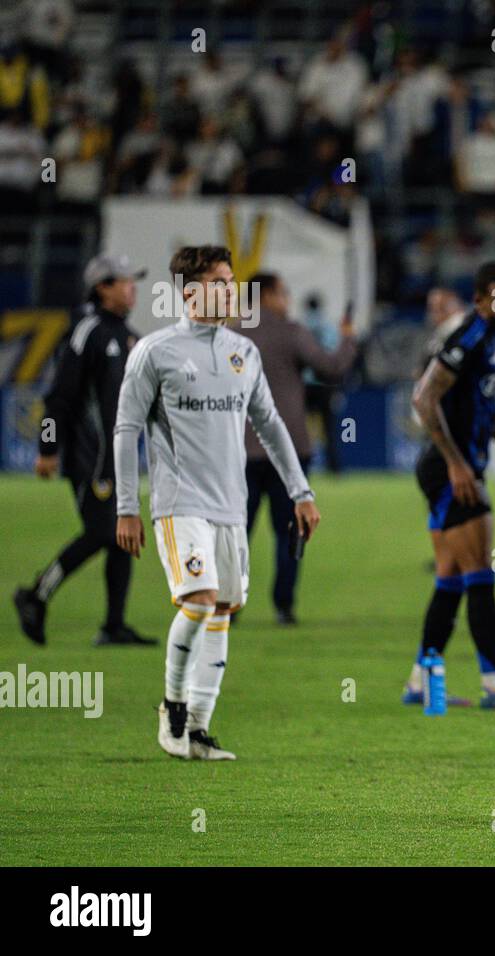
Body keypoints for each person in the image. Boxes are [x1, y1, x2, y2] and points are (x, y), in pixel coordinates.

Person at [114, 245, 320, 762]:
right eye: (220, 282)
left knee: (223, 609)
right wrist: (125, 506)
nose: (231, 291)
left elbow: (271, 426)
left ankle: (200, 729)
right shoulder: (155, 351)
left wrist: (301, 491)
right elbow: (126, 429)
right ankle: (172, 707)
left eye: (232, 281)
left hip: (230, 504)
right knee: (200, 598)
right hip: (179, 502)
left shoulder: (242, 352)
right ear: (189, 292)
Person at [405, 263, 495, 709]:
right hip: (451, 471)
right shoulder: (469, 336)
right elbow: (423, 398)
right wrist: (457, 465)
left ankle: (421, 681)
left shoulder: (493, 343)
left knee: (451, 578)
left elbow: (489, 409)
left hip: (457, 467)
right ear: (482, 301)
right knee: (481, 573)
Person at [14, 253, 154, 646]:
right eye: (125, 281)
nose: (133, 289)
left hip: (118, 457)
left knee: (123, 534)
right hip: (89, 457)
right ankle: (36, 594)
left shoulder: (127, 336)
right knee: (103, 531)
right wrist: (47, 447)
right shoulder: (87, 331)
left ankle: (113, 625)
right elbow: (57, 397)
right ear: (102, 287)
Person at [237, 272, 356, 625]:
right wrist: (347, 339)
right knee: (290, 530)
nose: (287, 300)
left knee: (234, 531)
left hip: (239, 449)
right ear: (270, 295)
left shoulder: (228, 332)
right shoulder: (290, 332)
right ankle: (284, 605)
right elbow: (332, 367)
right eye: (284, 293)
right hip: (287, 448)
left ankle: (229, 602)